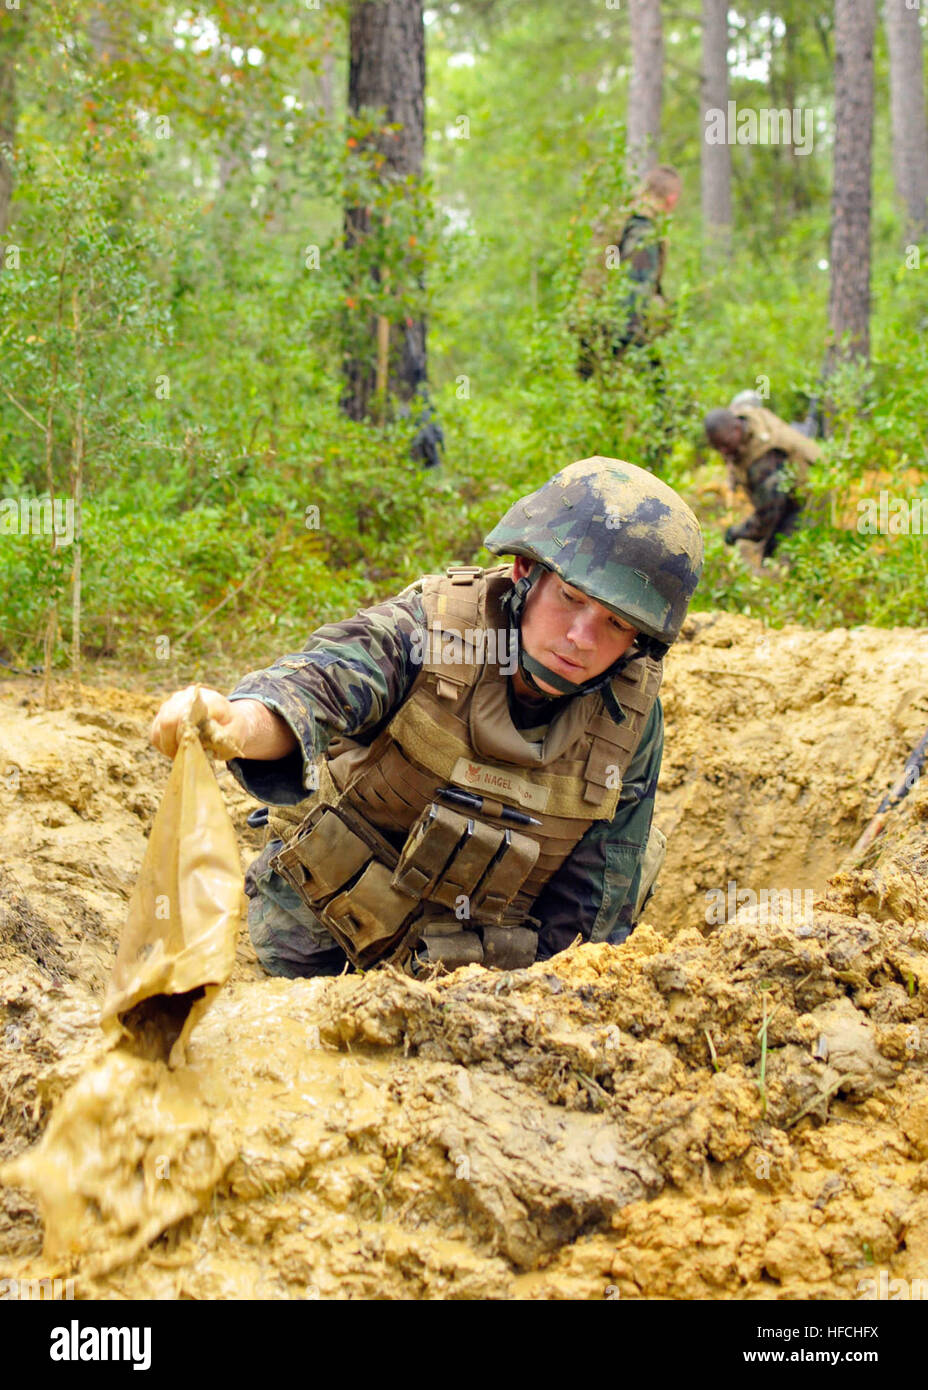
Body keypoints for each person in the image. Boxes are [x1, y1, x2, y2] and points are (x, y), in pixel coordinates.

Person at [151, 458, 704, 978]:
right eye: (570, 598)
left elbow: (593, 905)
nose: (582, 639)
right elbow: (319, 686)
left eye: (614, 623)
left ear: (640, 640)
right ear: (524, 571)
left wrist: (550, 1003)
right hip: (324, 942)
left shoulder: (630, 717)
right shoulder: (431, 630)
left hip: (481, 982)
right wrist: (235, 724)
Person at [574, 164, 682, 380]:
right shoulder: (643, 229)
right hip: (617, 335)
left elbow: (607, 271)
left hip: (593, 323)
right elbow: (634, 288)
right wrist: (635, 351)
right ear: (671, 199)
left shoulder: (620, 218)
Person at [704, 401, 822, 561]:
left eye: (725, 444)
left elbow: (768, 515)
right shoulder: (746, 418)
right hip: (795, 490)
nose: (723, 452)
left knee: (783, 555)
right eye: (717, 447)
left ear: (737, 429)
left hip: (812, 495)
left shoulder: (763, 459)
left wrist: (737, 532)